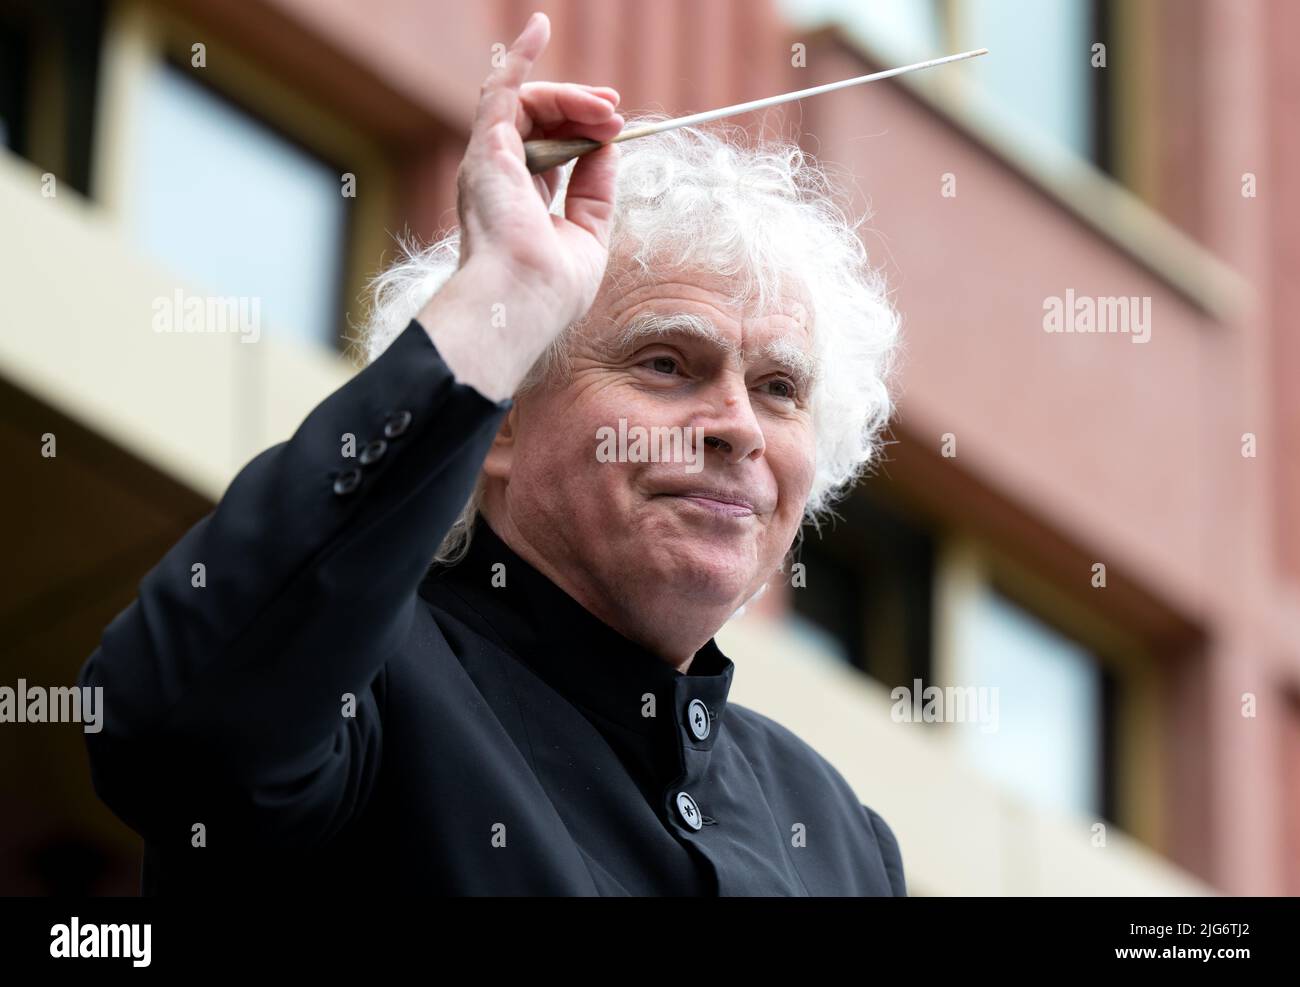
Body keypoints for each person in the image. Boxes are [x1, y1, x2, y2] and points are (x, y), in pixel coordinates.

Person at [79, 11, 905, 895]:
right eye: (666, 363)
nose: (738, 424)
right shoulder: (362, 685)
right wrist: (500, 299)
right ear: (499, 422)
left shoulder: (840, 837)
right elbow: (169, 726)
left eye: (781, 388)